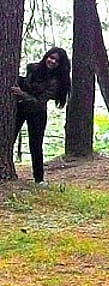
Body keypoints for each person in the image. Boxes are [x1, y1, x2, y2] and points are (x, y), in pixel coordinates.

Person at [9, 47, 71, 186]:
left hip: (37, 113)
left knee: (35, 146)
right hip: (20, 108)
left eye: (56, 60)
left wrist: (22, 94)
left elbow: (39, 102)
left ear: (60, 65)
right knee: (9, 138)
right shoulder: (33, 68)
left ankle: (39, 180)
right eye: (51, 57)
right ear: (46, 56)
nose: (52, 61)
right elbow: (25, 84)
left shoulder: (56, 82)